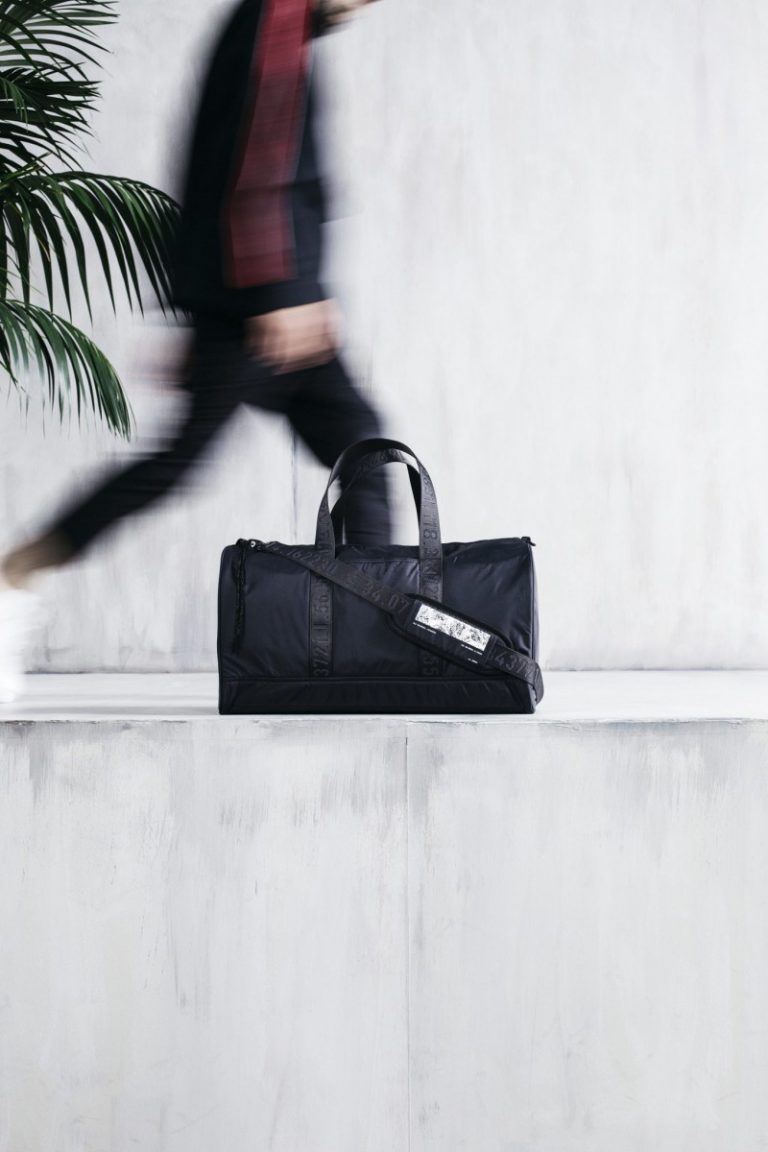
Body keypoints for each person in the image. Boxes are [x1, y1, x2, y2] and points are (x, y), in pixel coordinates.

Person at [0, 0, 390, 703]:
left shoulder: (278, 25)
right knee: (191, 464)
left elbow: (207, 165)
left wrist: (203, 309)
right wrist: (281, 292)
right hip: (262, 308)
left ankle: (376, 641)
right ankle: (13, 577)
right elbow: (258, 162)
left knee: (361, 450)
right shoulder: (277, 18)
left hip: (252, 303)